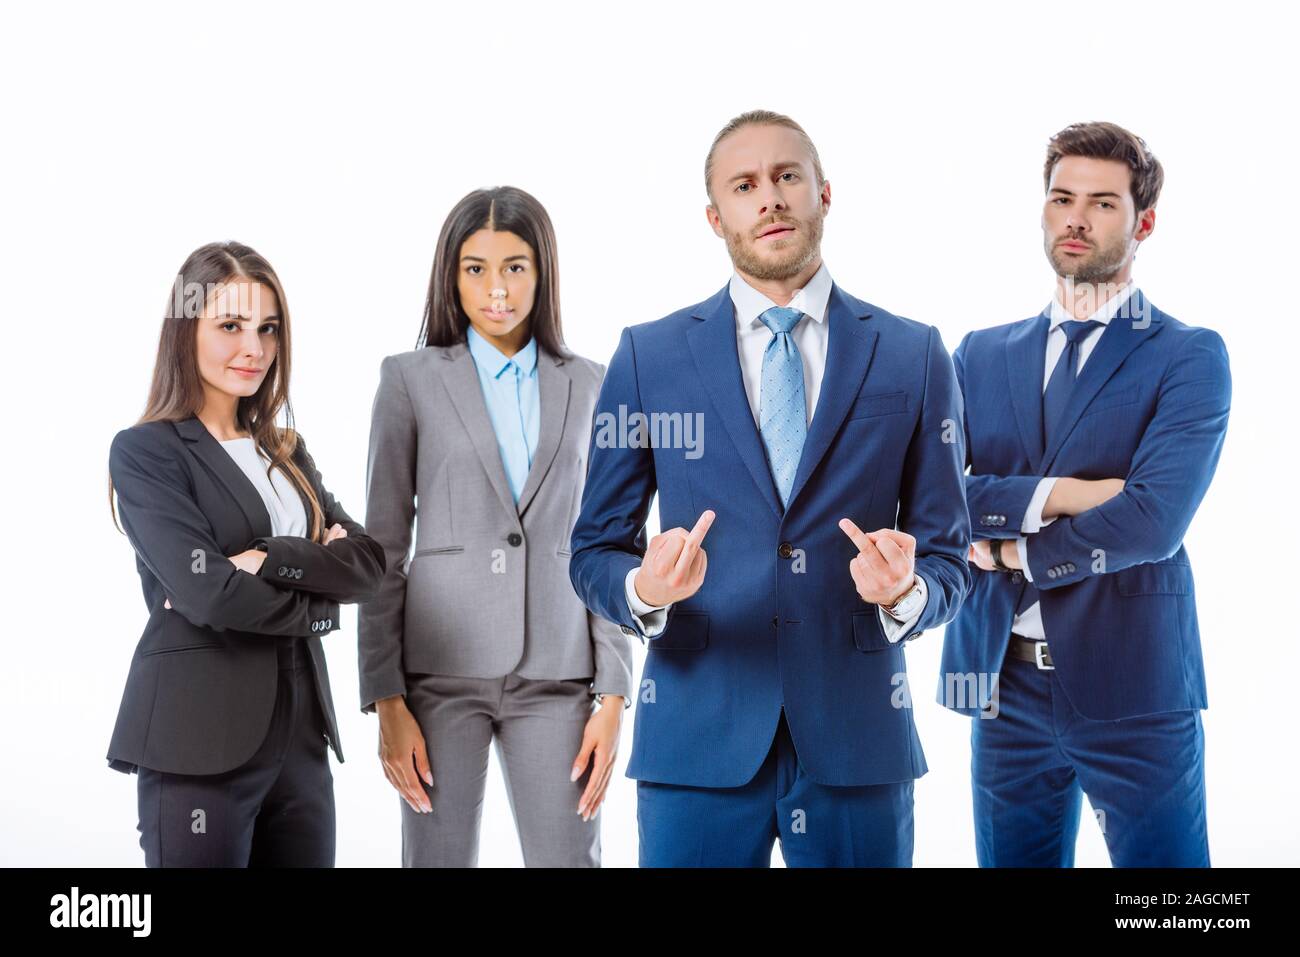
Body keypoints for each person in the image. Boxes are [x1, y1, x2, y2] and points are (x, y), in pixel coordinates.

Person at [568, 110, 971, 867]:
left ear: (824, 192)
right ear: (715, 216)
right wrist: (646, 591)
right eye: (745, 185)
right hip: (696, 740)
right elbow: (592, 548)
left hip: (858, 742)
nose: (771, 198)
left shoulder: (914, 354)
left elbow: (950, 556)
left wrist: (905, 594)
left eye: (788, 176)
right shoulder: (649, 356)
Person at [939, 121, 1231, 866]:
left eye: (1102, 203)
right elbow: (935, 497)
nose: (1076, 217)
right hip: (1002, 685)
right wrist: (1065, 493)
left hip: (1137, 690)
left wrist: (1010, 550)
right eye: (1062, 198)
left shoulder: (1188, 355)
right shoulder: (979, 353)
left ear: (1144, 223)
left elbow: (1152, 520)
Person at [361, 186, 634, 867]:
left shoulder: (592, 383)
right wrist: (385, 697)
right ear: (451, 277)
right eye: (475, 268)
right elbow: (381, 552)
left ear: (542, 273)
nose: (497, 290)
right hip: (438, 672)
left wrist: (613, 693)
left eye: (515, 266)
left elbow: (608, 544)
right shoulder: (409, 380)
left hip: (559, 672)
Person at [107, 240, 386, 867]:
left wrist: (267, 558)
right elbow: (209, 593)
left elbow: (369, 565)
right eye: (230, 326)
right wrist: (319, 600)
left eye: (268, 328)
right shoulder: (147, 452)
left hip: (302, 740)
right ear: (186, 330)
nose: (254, 348)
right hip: (199, 740)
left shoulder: (284, 449)